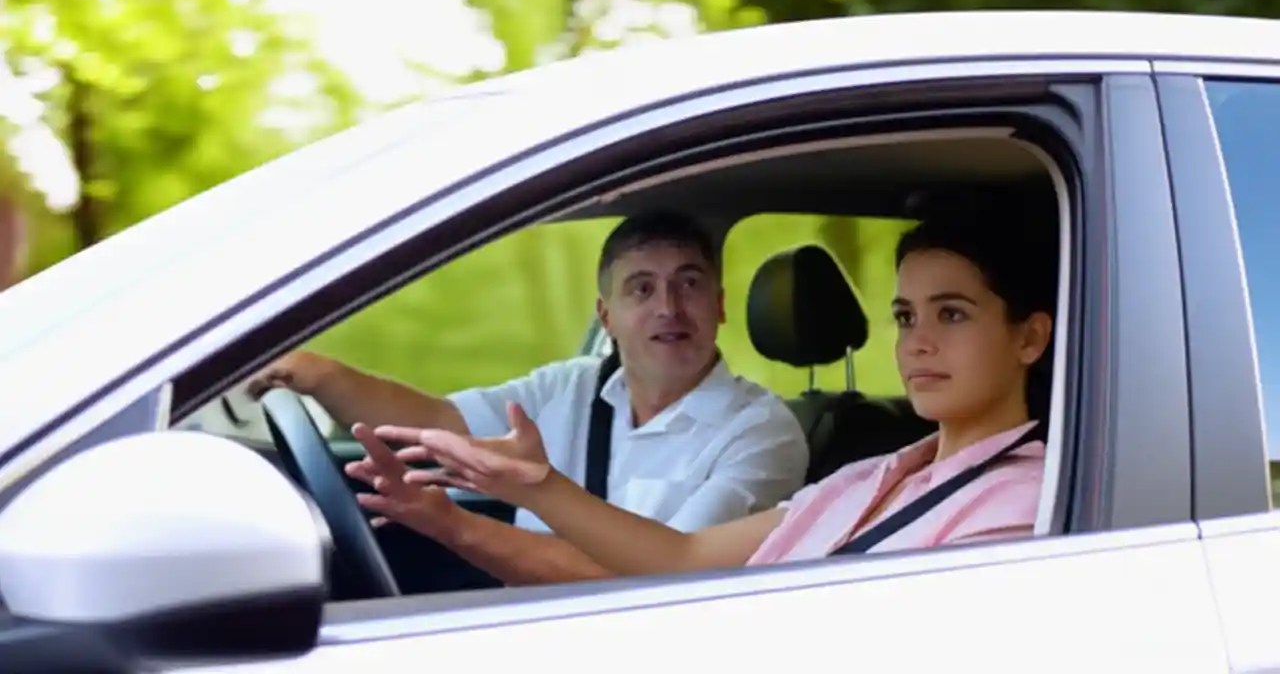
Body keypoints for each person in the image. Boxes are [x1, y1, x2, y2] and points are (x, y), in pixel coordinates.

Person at [355, 213, 1057, 574]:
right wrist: (535, 486)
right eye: (906, 317)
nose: (917, 344)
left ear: (1029, 338)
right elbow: (681, 561)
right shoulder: (872, 474)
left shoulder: (1026, 505)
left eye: (952, 314)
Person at [249, 210, 808, 584]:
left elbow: (653, 580)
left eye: (689, 284)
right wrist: (320, 374)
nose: (668, 307)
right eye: (641, 288)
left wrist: (454, 526)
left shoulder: (761, 431)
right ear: (605, 316)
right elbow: (440, 423)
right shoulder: (567, 387)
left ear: (720, 305)